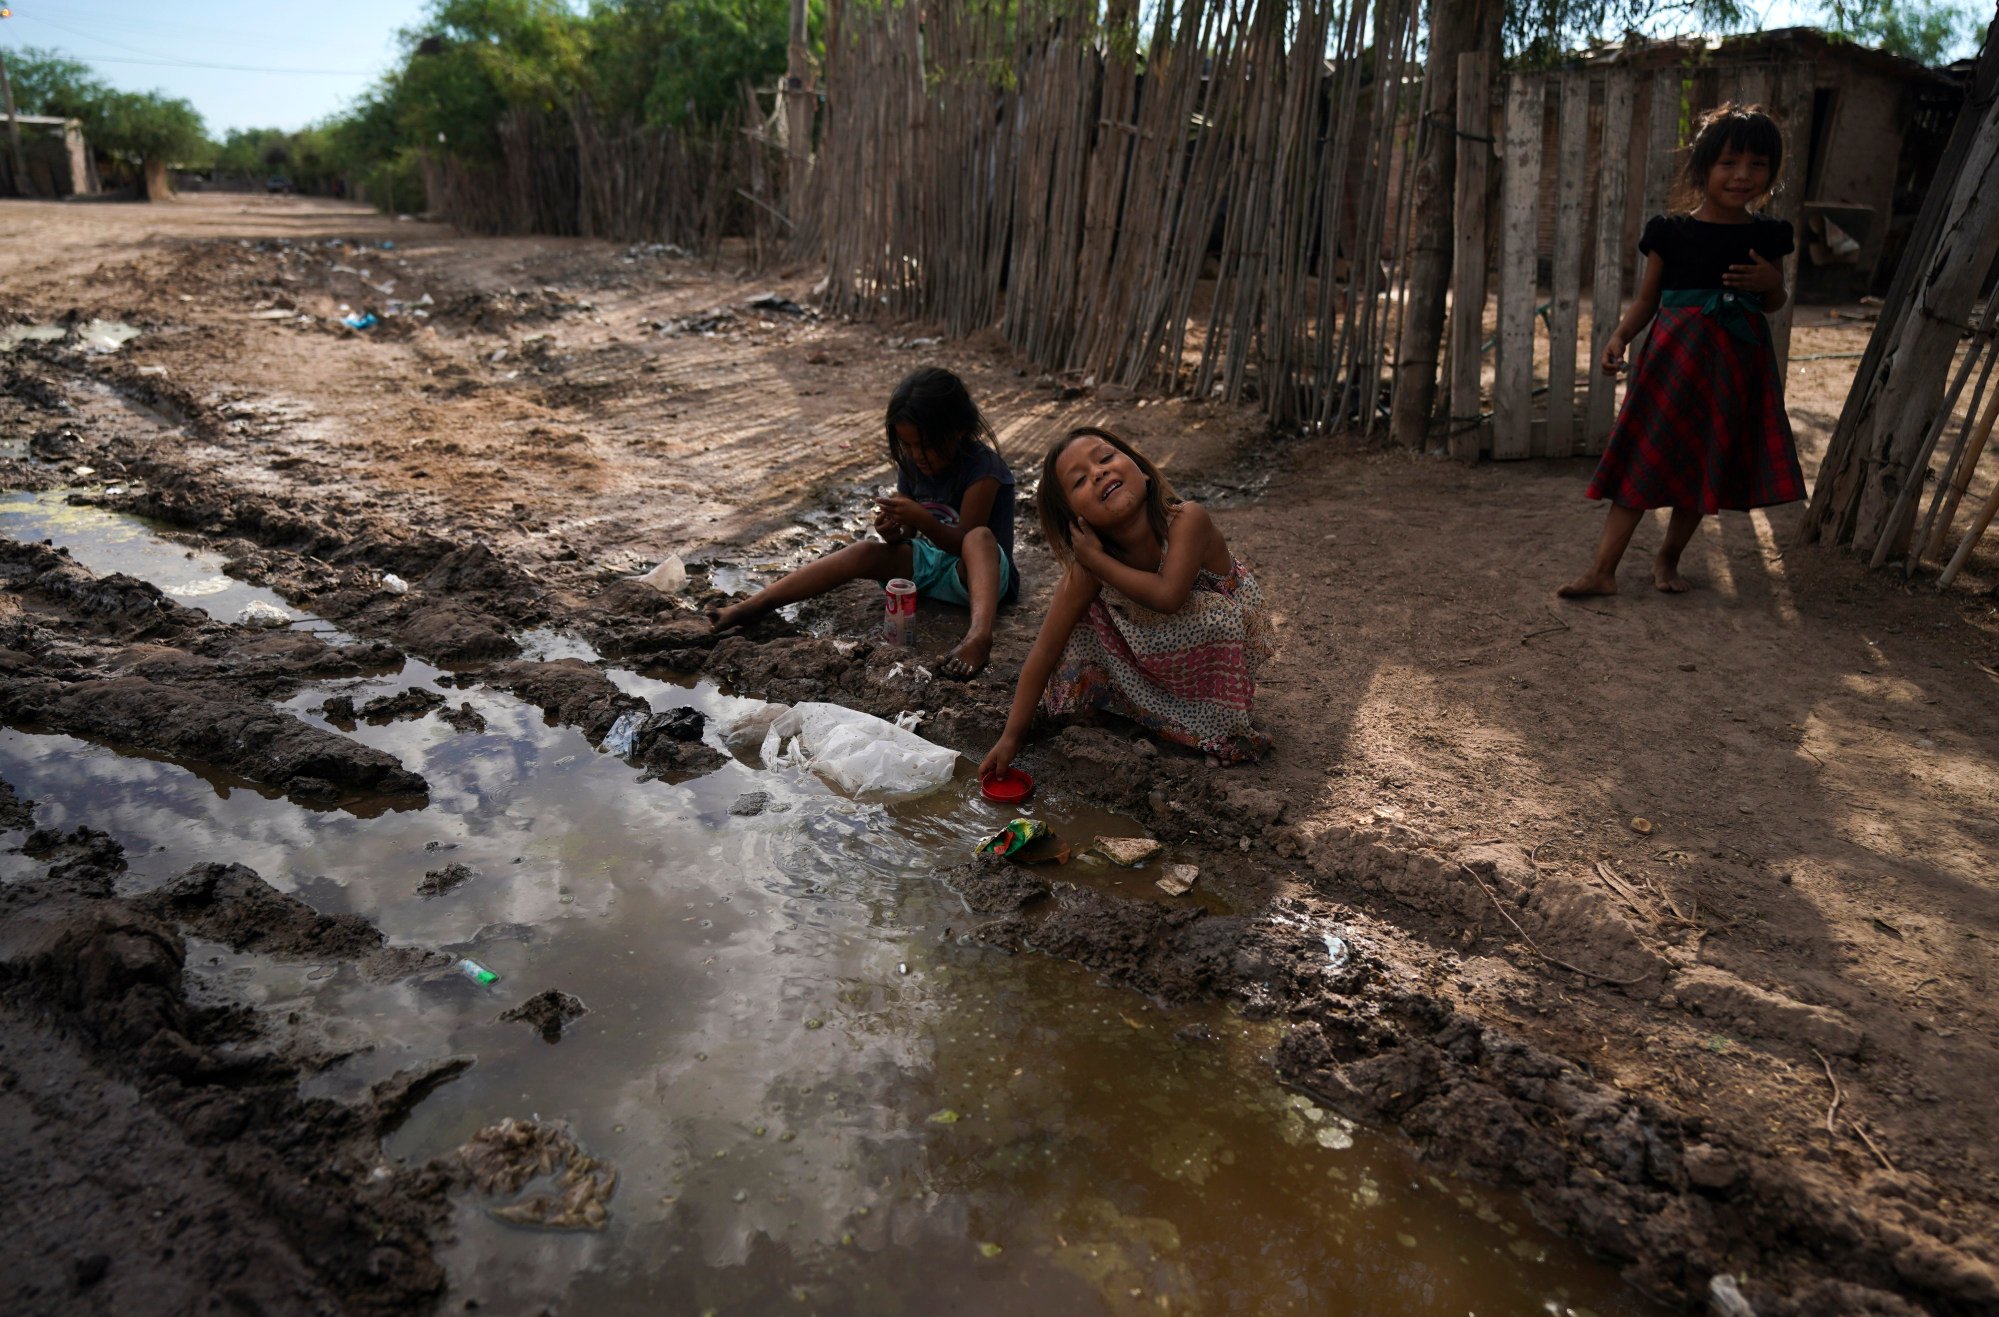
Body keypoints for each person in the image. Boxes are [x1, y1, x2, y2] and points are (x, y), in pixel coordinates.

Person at [1560, 103, 1803, 598]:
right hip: (1672, 363)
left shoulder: (1768, 236)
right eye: (1729, 163)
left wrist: (1772, 282)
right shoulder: (1670, 232)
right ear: (1704, 168)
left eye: (1757, 165)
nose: (1742, 176)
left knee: (1703, 461)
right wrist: (1619, 336)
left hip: (1735, 367)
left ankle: (1668, 558)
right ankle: (1602, 570)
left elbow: (1772, 303)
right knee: (1643, 457)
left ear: (1770, 173)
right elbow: (1648, 299)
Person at [978, 427, 1274, 776]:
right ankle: (1150, 711)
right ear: (1076, 521)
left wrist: (1098, 561)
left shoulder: (1186, 521)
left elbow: (1168, 597)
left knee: (1214, 619)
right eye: (1079, 481)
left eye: (1105, 459)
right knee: (1078, 622)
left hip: (1216, 651)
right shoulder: (1086, 573)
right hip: (1155, 659)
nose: (1099, 472)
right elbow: (1043, 651)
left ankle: (1223, 730)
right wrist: (1011, 738)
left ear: (1143, 471)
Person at [707, 366, 1017, 677]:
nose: (916, 454)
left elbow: (962, 543)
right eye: (907, 445)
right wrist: (894, 529)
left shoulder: (983, 468)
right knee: (864, 551)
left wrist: (921, 519)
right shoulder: (912, 463)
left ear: (958, 430)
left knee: (979, 537)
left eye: (925, 445)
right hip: (930, 567)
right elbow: (910, 534)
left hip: (979, 576)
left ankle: (979, 636)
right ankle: (756, 604)